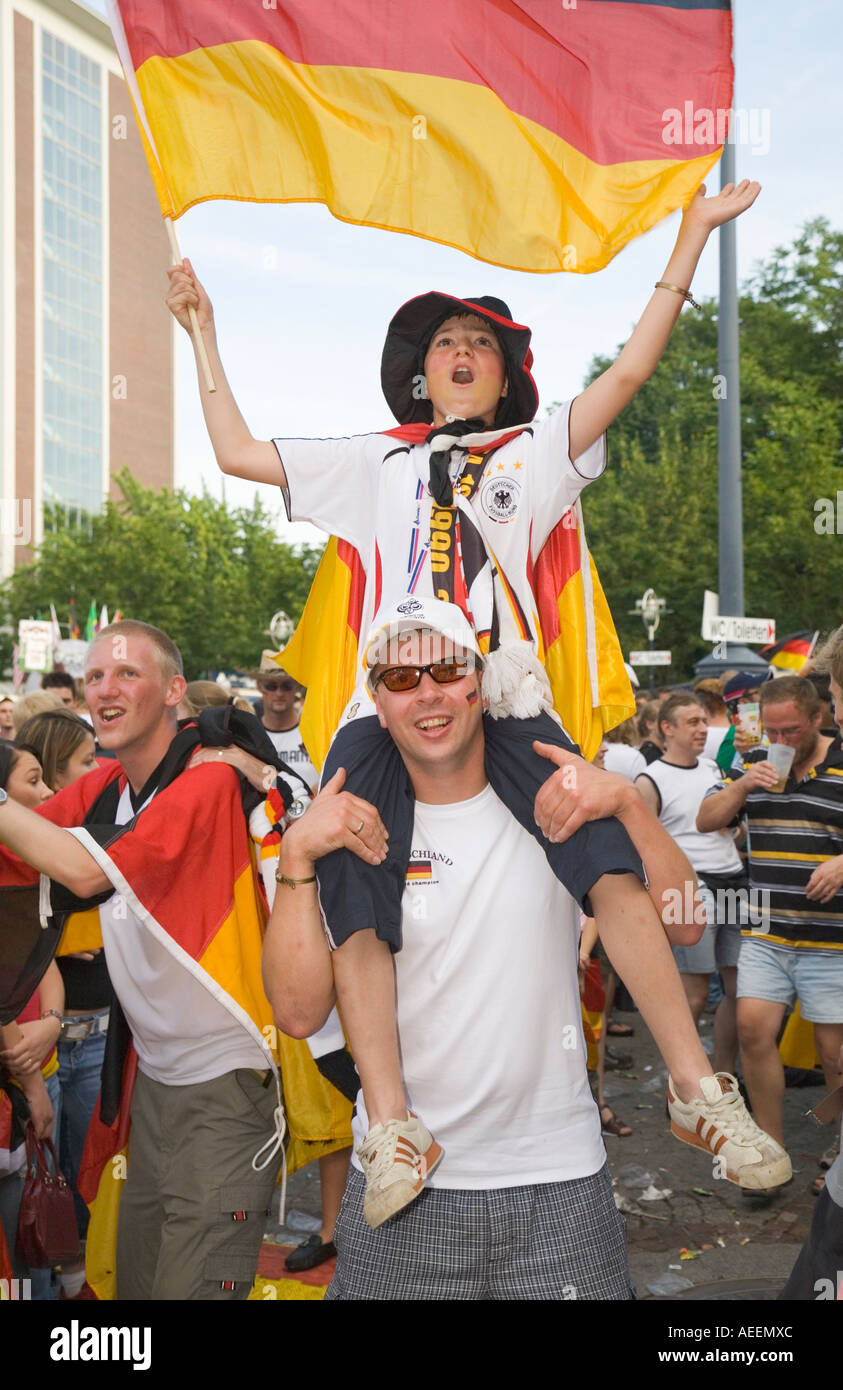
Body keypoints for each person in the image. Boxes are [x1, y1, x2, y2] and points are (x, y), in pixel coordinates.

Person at [168, 178, 761, 1225]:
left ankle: (694, 1088)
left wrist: (690, 234)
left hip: (503, 689)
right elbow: (233, 453)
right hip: (389, 695)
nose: (460, 351)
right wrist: (203, 334)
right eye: (444, 339)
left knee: (606, 853)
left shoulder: (533, 458)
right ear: (420, 370)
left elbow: (631, 367)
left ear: (503, 374)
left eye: (480, 342)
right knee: (354, 876)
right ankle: (391, 1122)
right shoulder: (374, 462)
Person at [261, 599, 791, 1299]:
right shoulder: (347, 822)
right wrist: (296, 852)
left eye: (446, 670)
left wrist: (631, 805)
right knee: (365, 918)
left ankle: (696, 1092)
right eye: (400, 680)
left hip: (558, 1181)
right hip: (400, 1195)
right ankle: (392, 1122)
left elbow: (687, 924)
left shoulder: (555, 797)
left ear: (479, 683)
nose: (427, 694)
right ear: (375, 702)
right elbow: (297, 1016)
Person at [0, 620, 286, 1299]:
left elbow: (80, 871)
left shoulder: (209, 780)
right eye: (95, 675)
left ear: (173, 691)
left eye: (128, 674)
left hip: (227, 1085)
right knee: (134, 1292)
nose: (105, 688)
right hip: (151, 1084)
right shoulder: (106, 788)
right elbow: (19, 853)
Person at [697, 674, 843, 1159]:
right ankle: (770, 1147)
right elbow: (706, 819)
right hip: (765, 932)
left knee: (834, 1055)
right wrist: (742, 784)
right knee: (753, 1030)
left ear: (817, 719)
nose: (780, 742)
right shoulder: (755, 764)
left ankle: (840, 1151)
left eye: (791, 732)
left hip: (830, 938)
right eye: (773, 731)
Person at [635, 694, 747, 1078]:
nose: (703, 729)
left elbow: (729, 825)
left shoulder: (715, 769)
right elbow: (643, 844)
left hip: (734, 879)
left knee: (739, 990)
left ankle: (722, 1076)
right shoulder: (650, 779)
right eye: (693, 722)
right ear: (668, 728)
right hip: (689, 890)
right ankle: (684, 1084)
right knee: (695, 993)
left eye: (703, 721)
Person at [248, 653, 318, 793]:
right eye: (271, 686)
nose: (279, 693)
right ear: (260, 687)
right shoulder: (250, 738)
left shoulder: (315, 734)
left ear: (296, 686)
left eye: (286, 686)